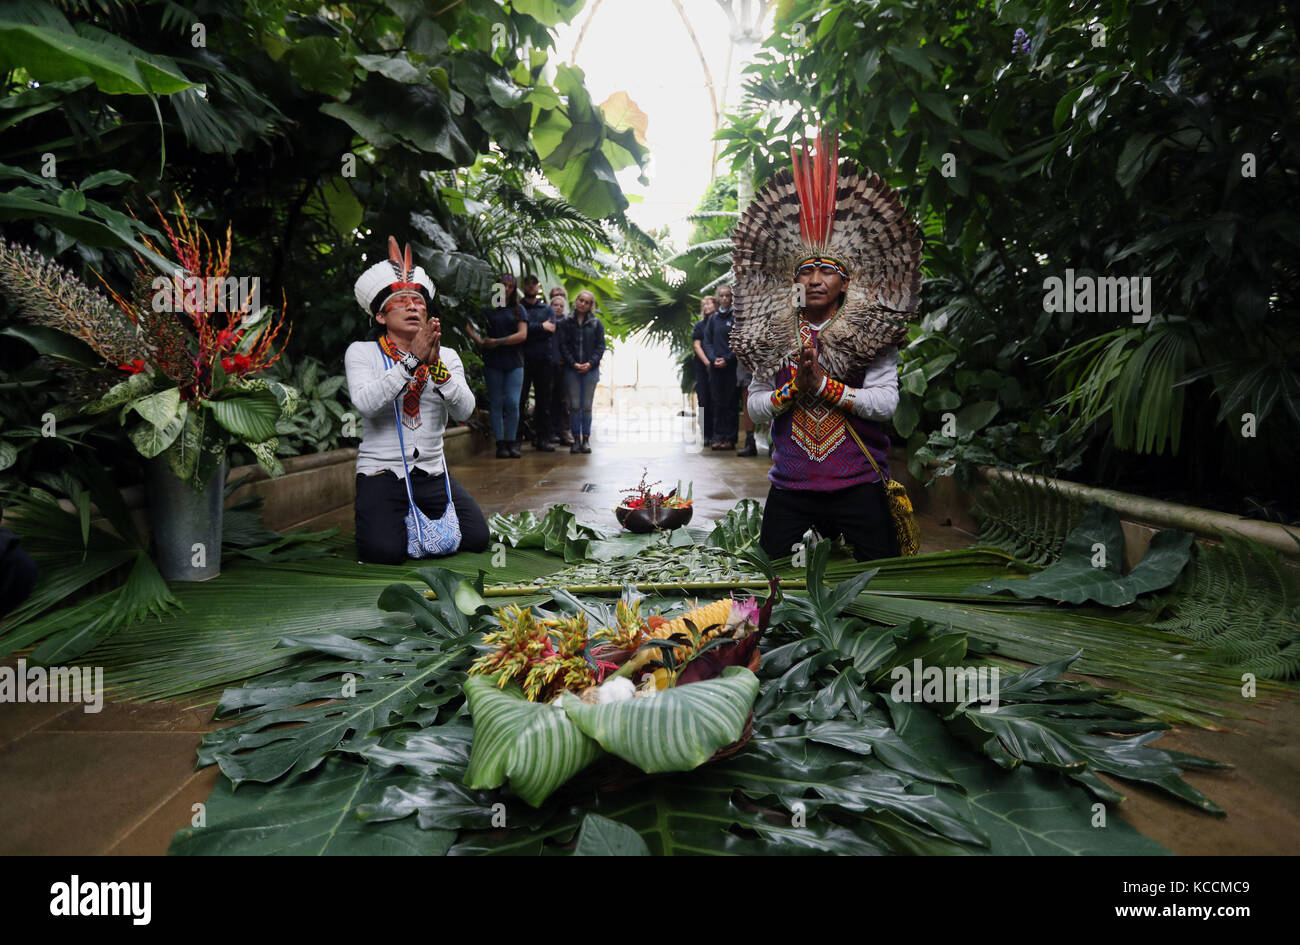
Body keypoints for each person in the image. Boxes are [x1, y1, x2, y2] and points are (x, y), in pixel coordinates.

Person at [731, 131, 922, 562]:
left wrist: (824, 386)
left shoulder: (873, 331)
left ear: (846, 281)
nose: (816, 279)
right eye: (807, 270)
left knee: (880, 583)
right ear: (793, 280)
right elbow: (754, 406)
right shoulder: (771, 333)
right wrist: (789, 392)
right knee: (773, 584)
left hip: (858, 486)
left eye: (828, 270)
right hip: (790, 488)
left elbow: (886, 403)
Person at [345, 236, 491, 564]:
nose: (413, 306)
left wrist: (435, 365)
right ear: (381, 316)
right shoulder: (361, 352)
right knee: (384, 552)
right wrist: (411, 361)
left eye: (418, 300)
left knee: (477, 538)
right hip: (381, 475)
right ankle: (375, 517)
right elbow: (367, 403)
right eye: (402, 300)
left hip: (431, 473)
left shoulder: (447, 356)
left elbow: (466, 411)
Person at [465, 275, 528, 458]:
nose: (506, 289)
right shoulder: (488, 308)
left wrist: (497, 341)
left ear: (514, 289)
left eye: (510, 286)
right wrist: (480, 342)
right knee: (496, 403)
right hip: (492, 362)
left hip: (515, 362)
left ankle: (512, 442)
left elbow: (522, 335)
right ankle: (500, 443)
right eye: (503, 285)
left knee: (513, 403)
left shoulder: (518, 309)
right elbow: (468, 325)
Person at [557, 290, 605, 454]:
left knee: (586, 406)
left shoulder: (596, 323)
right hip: (572, 370)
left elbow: (600, 346)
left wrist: (590, 364)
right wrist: (574, 363)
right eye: (580, 300)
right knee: (575, 406)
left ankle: (586, 440)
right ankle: (575, 439)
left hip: (590, 370)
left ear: (591, 305)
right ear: (576, 301)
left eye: (586, 302)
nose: (582, 304)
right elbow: (563, 345)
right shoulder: (566, 322)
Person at [516, 274, 558, 452]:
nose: (531, 286)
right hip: (523, 359)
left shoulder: (547, 309)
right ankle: (516, 440)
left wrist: (530, 328)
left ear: (538, 286)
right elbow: (520, 331)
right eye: (528, 283)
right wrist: (540, 327)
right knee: (520, 400)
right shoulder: (518, 308)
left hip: (544, 360)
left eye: (534, 283)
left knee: (544, 402)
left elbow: (552, 329)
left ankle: (543, 439)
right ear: (524, 286)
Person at [703, 283, 738, 450]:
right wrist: (713, 359)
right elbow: (707, 342)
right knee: (717, 404)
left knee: (731, 403)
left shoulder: (737, 318)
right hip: (715, 368)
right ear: (718, 298)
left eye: (727, 295)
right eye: (722, 296)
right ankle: (718, 438)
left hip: (730, 368)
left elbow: (739, 343)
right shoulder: (713, 319)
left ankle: (730, 439)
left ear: (732, 298)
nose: (724, 298)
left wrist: (727, 359)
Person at [548, 287, 573, 446]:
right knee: (547, 399)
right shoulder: (545, 322)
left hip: (563, 366)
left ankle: (564, 431)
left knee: (563, 400)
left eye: (561, 303)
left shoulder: (568, 322)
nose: (558, 307)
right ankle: (549, 432)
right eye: (555, 303)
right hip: (547, 365)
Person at [691, 295, 716, 448]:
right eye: (704, 304)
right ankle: (705, 434)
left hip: (718, 366)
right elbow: (697, 345)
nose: (706, 306)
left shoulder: (720, 322)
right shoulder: (700, 325)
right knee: (703, 400)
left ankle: (717, 434)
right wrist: (707, 362)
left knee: (717, 400)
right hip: (703, 367)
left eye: (709, 303)